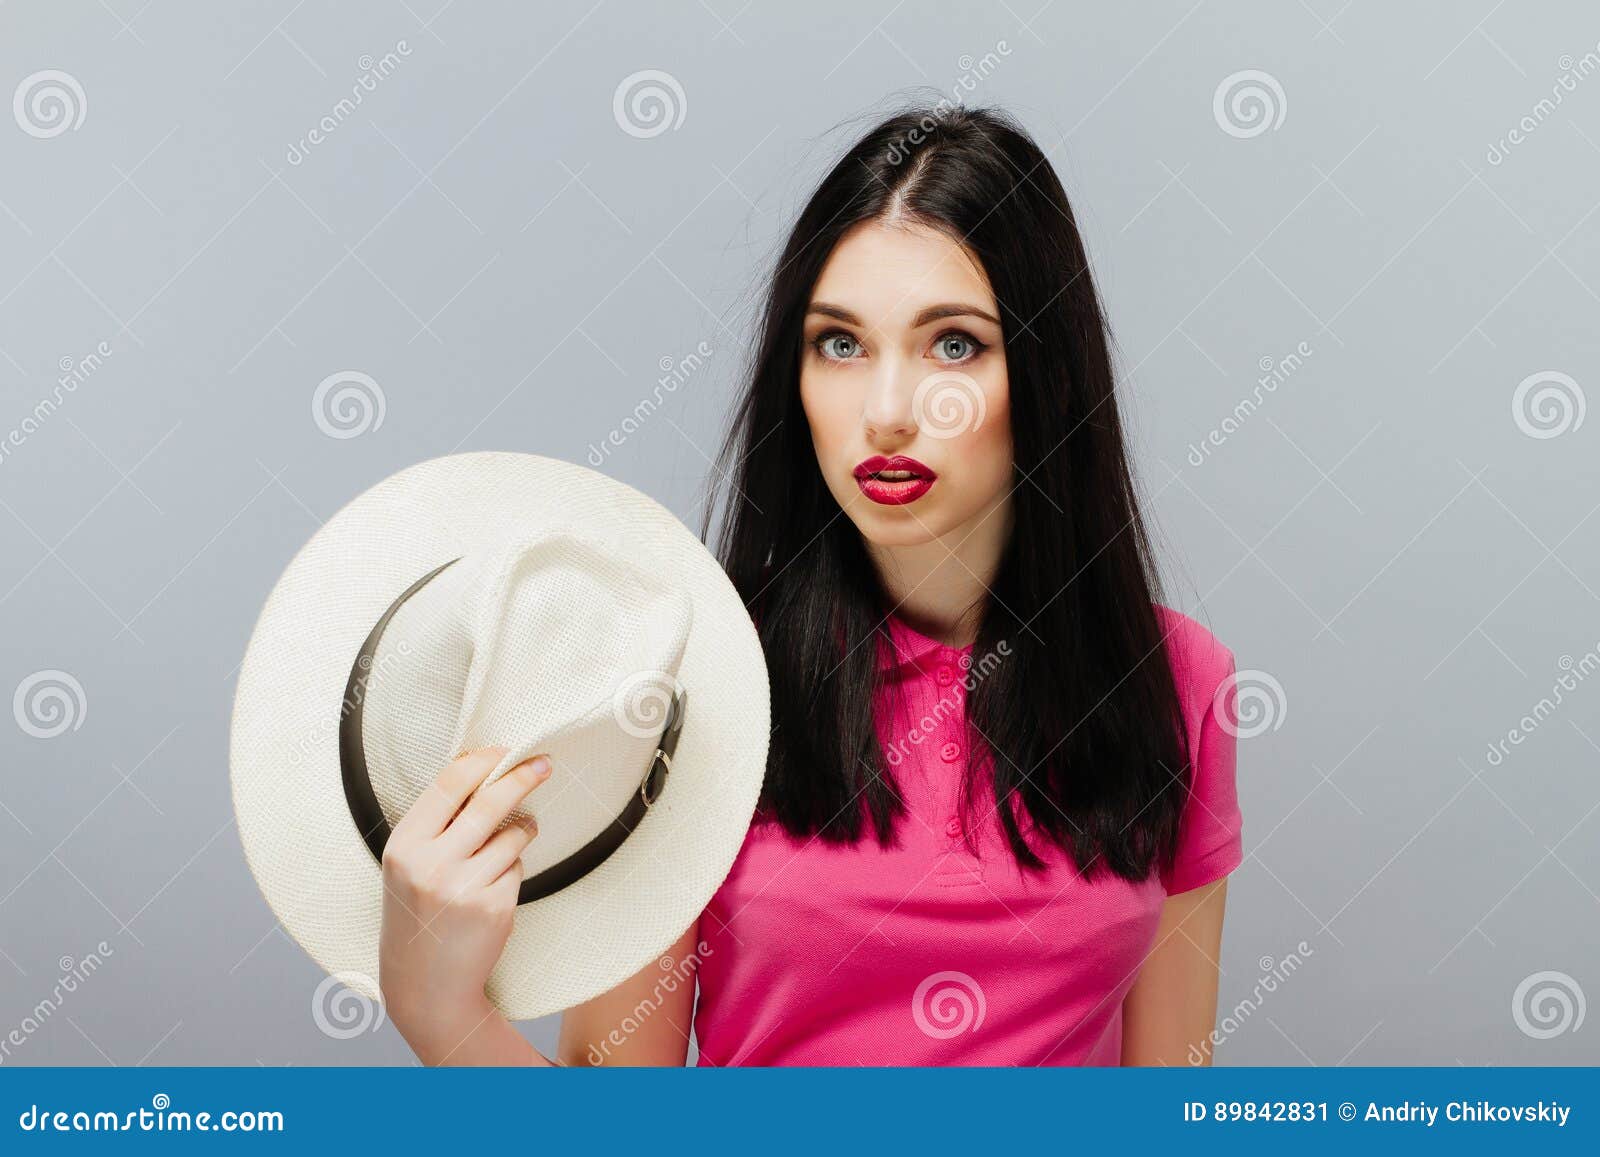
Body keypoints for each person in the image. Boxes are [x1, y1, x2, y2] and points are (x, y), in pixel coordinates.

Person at [379, 103, 1243, 1067]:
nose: (885, 412)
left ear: (1047, 372)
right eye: (840, 344)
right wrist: (436, 1004)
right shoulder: (694, 683)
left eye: (953, 343)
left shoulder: (1177, 682)